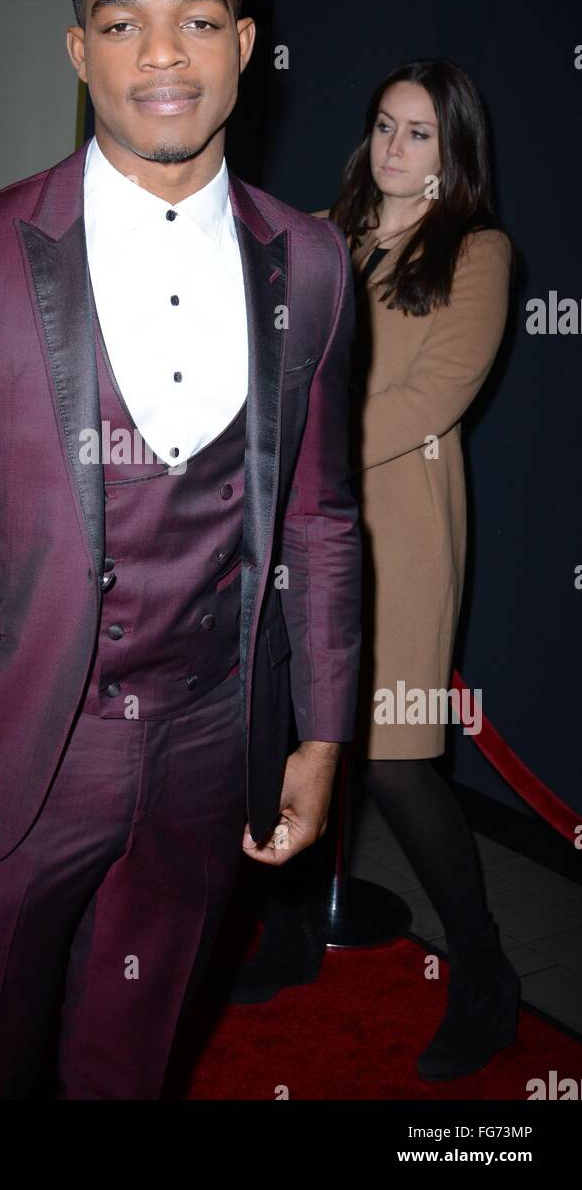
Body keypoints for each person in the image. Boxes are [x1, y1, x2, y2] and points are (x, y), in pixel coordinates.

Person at [0, 0, 361, 1100]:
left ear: (243, 45)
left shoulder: (317, 261)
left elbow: (321, 518)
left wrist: (323, 732)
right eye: (123, 25)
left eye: (198, 20)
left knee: (129, 1069)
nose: (163, 54)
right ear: (80, 53)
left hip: (207, 752)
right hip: (11, 759)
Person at [233, 58, 519, 1083]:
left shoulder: (478, 250)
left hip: (398, 533)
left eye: (419, 134)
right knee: (292, 742)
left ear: (452, 154)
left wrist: (303, 441)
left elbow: (434, 394)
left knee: (394, 760)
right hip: (297, 529)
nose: (396, 149)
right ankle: (289, 935)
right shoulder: (319, 229)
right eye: (386, 127)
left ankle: (484, 975)